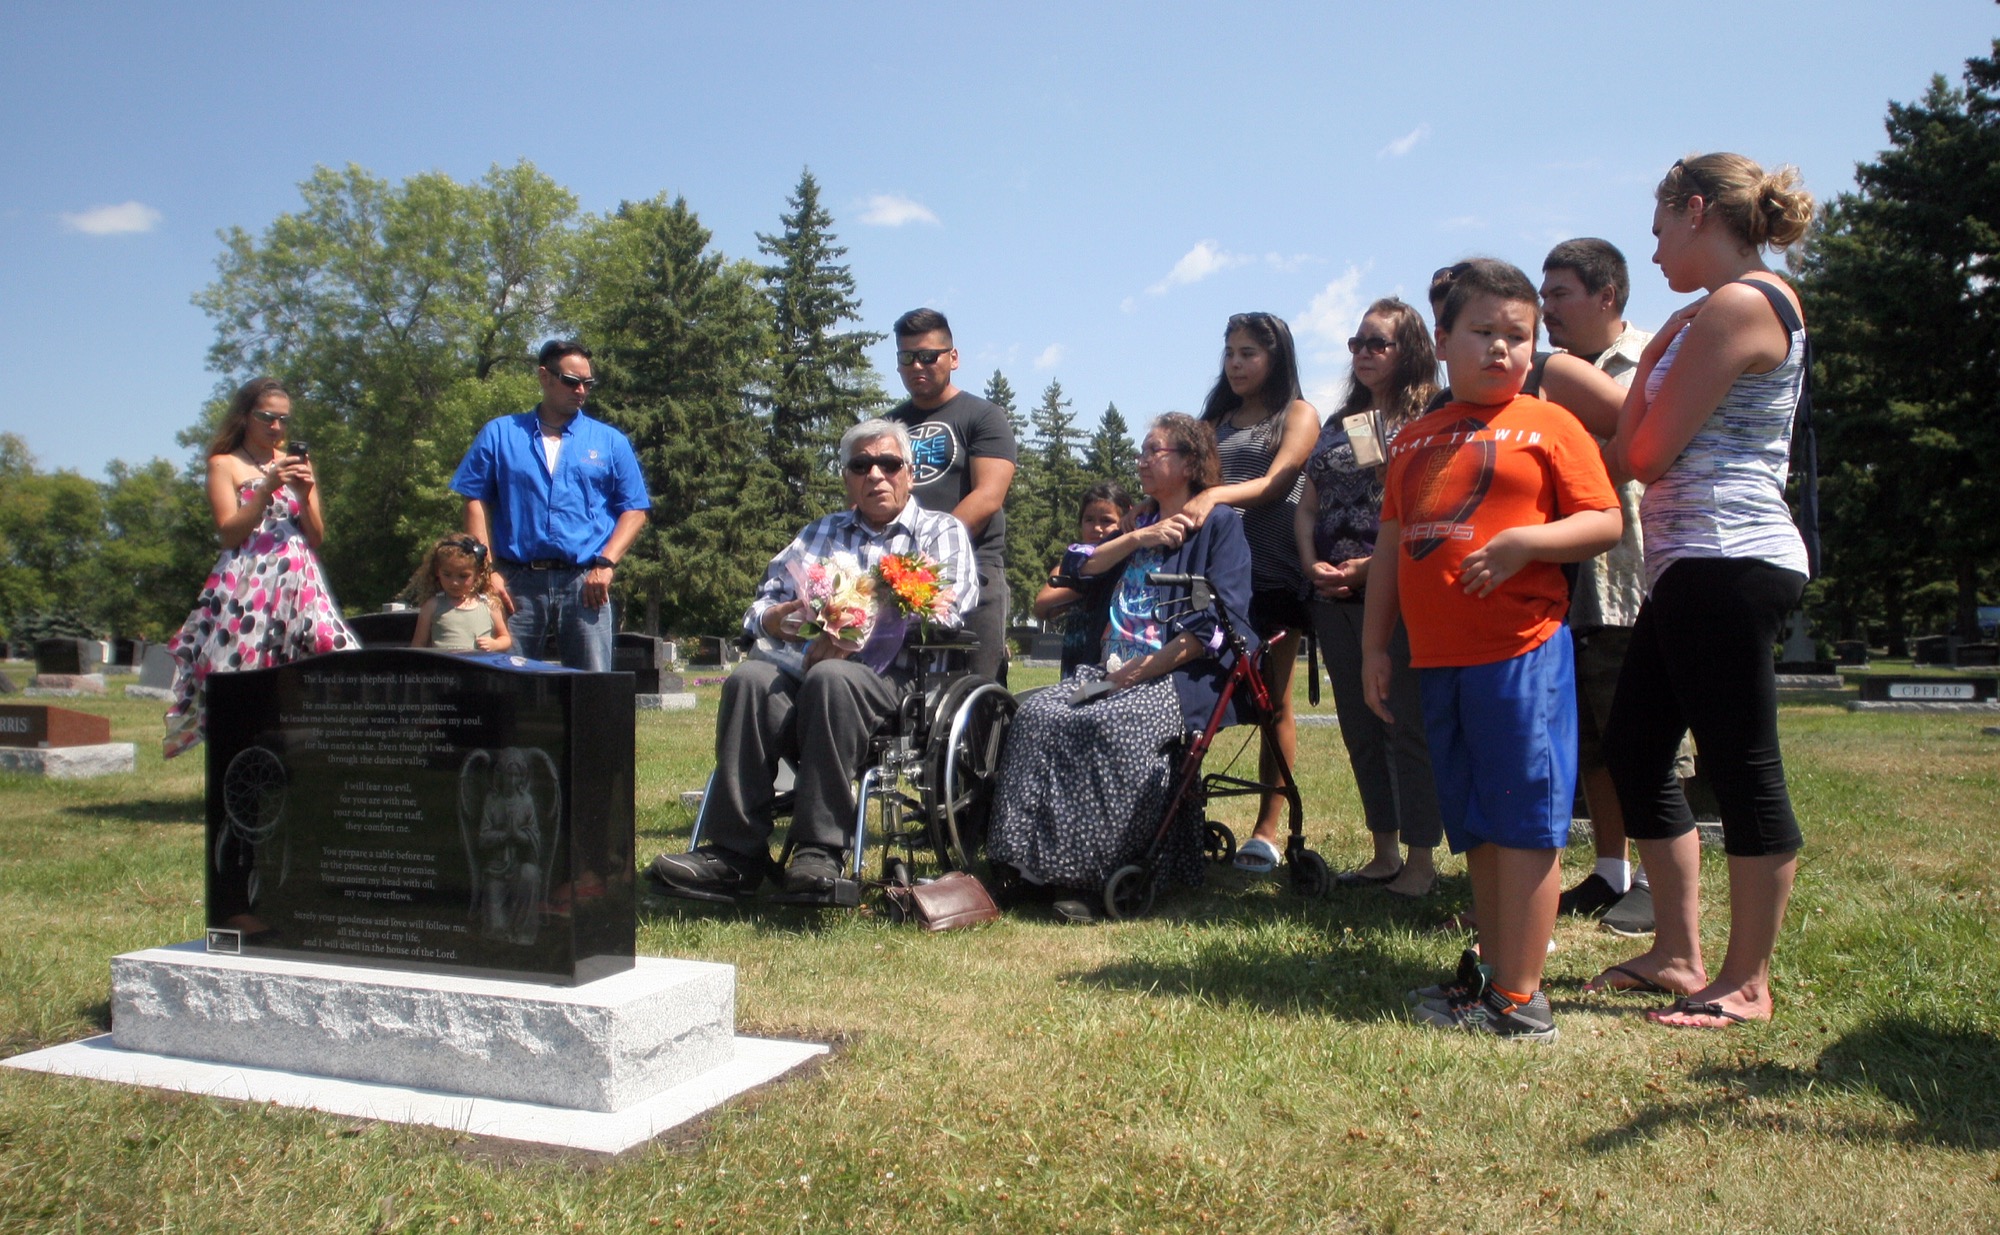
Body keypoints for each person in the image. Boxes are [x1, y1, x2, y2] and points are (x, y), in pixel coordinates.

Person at [1362, 259, 1622, 1041]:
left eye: (1520, 336)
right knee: (1476, 822)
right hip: (1439, 662)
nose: (1502, 350)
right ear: (1442, 341)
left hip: (1520, 657)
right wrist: (1377, 644)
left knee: (1527, 822)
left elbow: (1604, 520)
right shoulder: (1414, 439)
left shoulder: (1550, 424)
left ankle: (1523, 996)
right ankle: (1492, 973)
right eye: (1484, 333)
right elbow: (1390, 552)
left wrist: (1524, 545)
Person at [1589, 154, 1817, 1030]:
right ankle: (1679, 954)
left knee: (1742, 763)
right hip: (1690, 564)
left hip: (1729, 557)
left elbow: (1640, 455)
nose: (1651, 255)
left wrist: (1646, 364)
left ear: (1694, 212)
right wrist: (1656, 356)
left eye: (1656, 232)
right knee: (1639, 749)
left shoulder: (1743, 303)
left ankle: (1746, 982)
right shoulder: (1716, 308)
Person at [646, 419, 979, 900]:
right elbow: (759, 607)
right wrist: (778, 617)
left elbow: (952, 605)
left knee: (832, 678)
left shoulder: (938, 532)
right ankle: (734, 853)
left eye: (888, 464)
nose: (876, 475)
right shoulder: (820, 533)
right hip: (806, 673)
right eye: (861, 465)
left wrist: (862, 618)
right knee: (750, 679)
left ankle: (819, 850)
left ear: (909, 472)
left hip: (897, 683)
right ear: (847, 477)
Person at [987, 414, 1255, 920]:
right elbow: (1077, 567)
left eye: (1154, 451)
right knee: (1037, 715)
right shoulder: (1137, 519)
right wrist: (1138, 538)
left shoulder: (1221, 525)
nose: (1142, 461)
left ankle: (1098, 873)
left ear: (1190, 462)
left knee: (1110, 727)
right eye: (1141, 451)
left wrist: (1144, 670)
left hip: (1179, 674)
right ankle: (1022, 865)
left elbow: (1220, 626)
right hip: (1113, 667)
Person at [1539, 239, 1670, 936]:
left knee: (1643, 737)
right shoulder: (1543, 377)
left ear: (1608, 297)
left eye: (1560, 293)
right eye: (1544, 293)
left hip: (1633, 574)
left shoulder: (1650, 362)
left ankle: (1656, 879)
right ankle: (1610, 870)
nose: (1545, 308)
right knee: (1590, 740)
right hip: (1567, 585)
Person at [1294, 299, 1445, 899]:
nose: (1361, 353)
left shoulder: (1433, 415)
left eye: (1375, 343)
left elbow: (1421, 507)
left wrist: (1372, 568)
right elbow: (1308, 505)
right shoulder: (1344, 422)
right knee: (1359, 724)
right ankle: (1384, 852)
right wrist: (1311, 564)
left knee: (1405, 724)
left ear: (1408, 349)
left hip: (1400, 588)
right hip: (1331, 592)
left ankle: (1421, 860)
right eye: (1356, 343)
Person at [163, 377, 359, 759]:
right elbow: (228, 532)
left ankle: (314, 750)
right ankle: (243, 759)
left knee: (336, 651)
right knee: (245, 676)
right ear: (245, 416)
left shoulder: (296, 463)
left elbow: (316, 536)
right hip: (248, 583)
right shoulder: (224, 464)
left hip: (299, 581)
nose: (276, 427)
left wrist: (304, 495)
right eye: (267, 417)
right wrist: (266, 488)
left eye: (283, 420)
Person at [1188, 312, 1318, 875]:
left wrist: (1212, 495)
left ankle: (1267, 830)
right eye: (1230, 352)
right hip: (1212, 577)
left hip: (1273, 575)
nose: (1236, 363)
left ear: (1276, 358)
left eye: (1249, 353)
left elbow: (1277, 484)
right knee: (1192, 699)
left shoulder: (1299, 414)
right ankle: (1180, 819)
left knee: (1273, 703)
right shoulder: (1214, 419)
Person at [450, 340, 650, 671]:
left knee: (592, 689)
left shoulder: (610, 441)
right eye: (572, 381)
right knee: (505, 682)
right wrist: (487, 573)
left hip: (585, 583)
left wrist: (606, 564)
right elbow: (474, 500)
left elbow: (635, 509)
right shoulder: (500, 434)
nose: (581, 390)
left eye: (588, 383)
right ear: (545, 377)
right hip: (515, 583)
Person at [885, 308, 1018, 682]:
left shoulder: (983, 416)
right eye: (907, 357)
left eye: (929, 356)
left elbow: (988, 496)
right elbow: (866, 498)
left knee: (978, 685)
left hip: (975, 569)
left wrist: (928, 555)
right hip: (896, 576)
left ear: (953, 358)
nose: (917, 365)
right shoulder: (888, 426)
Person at [1034, 481, 1134, 679]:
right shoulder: (1072, 563)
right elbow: (1041, 606)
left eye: (1106, 520)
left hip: (1112, 656)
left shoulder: (1131, 564)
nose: (1097, 528)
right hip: (1077, 654)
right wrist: (1086, 578)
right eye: (1089, 519)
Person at [406, 535, 514, 654]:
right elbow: (418, 645)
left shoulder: (488, 605)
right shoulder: (432, 606)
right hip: (445, 670)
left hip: (478, 668)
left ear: (478, 573)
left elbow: (505, 638)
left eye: (463, 576)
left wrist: (495, 644)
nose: (455, 582)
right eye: (447, 574)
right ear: (437, 571)